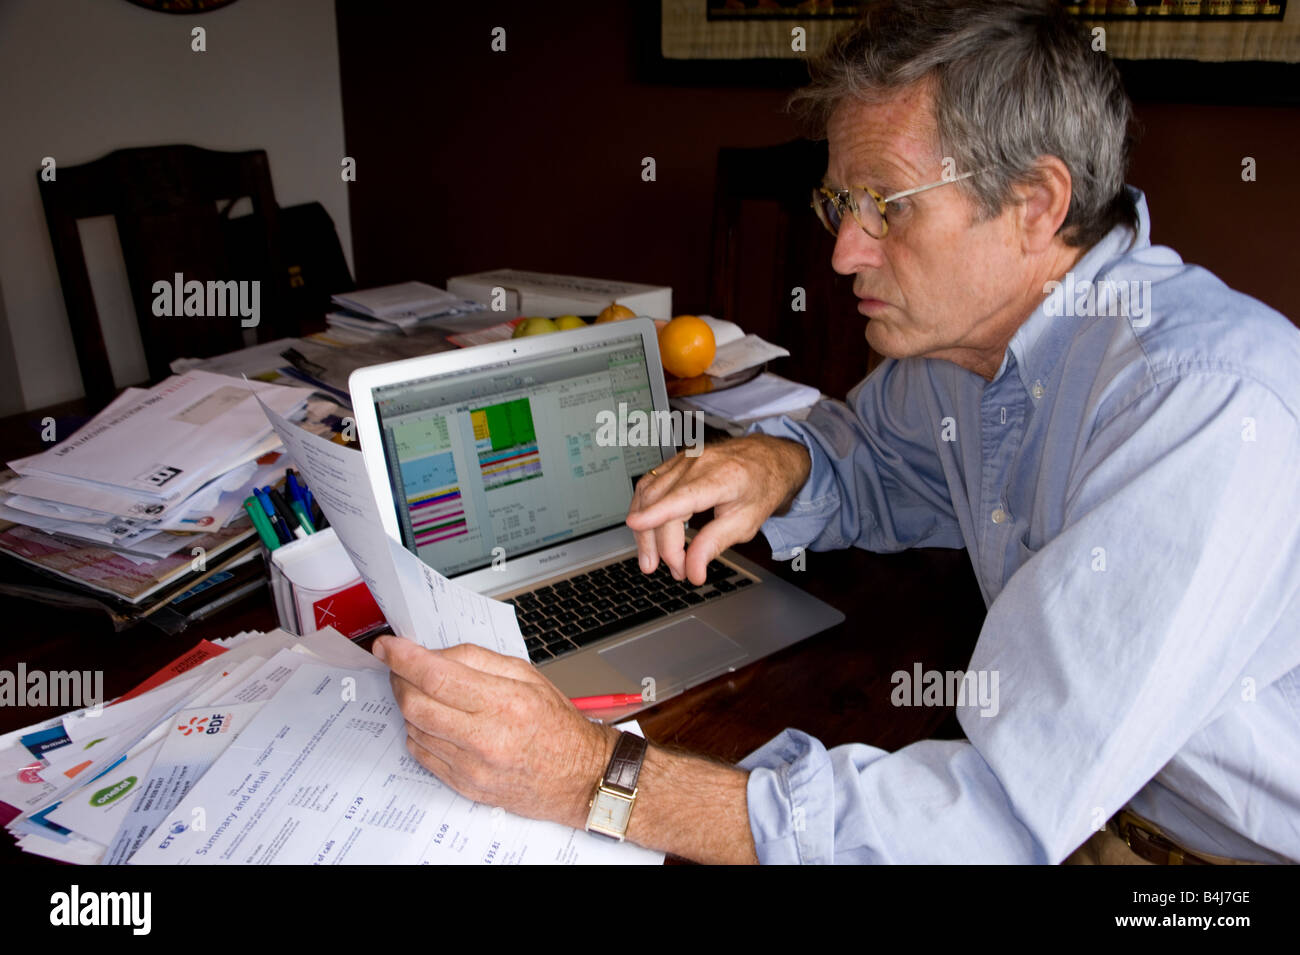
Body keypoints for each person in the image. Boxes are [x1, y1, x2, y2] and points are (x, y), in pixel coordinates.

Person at [372, 0, 1300, 864]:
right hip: (1104, 808)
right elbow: (869, 457)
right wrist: (778, 462)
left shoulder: (1198, 407)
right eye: (839, 205)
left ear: (1035, 205)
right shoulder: (965, 350)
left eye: (886, 207)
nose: (844, 251)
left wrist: (593, 778)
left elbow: (988, 822)